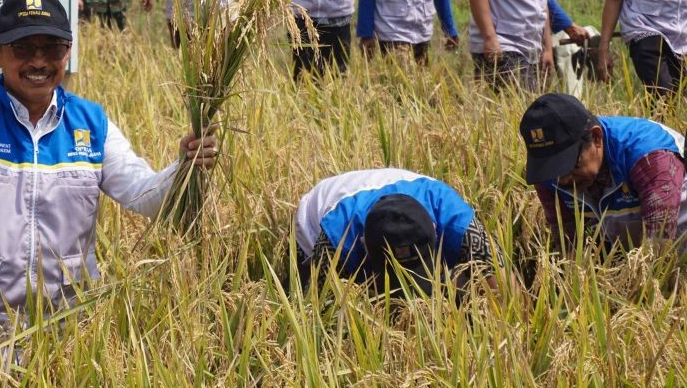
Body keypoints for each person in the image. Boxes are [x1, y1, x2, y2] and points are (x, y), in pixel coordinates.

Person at [0, 0, 217, 388]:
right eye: (23, 48)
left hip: (56, 344)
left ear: (68, 51)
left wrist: (187, 165)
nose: (38, 61)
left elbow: (145, 194)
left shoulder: (90, 123)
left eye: (52, 48)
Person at [520, 93, 687, 253]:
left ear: (596, 138)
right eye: (551, 169)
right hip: (623, 243)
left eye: (568, 165)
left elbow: (658, 254)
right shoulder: (546, 177)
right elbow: (567, 242)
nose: (562, 179)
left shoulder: (650, 158)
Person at [292, 169, 501, 295]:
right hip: (320, 215)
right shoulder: (336, 240)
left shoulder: (457, 221)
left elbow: (506, 289)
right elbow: (319, 316)